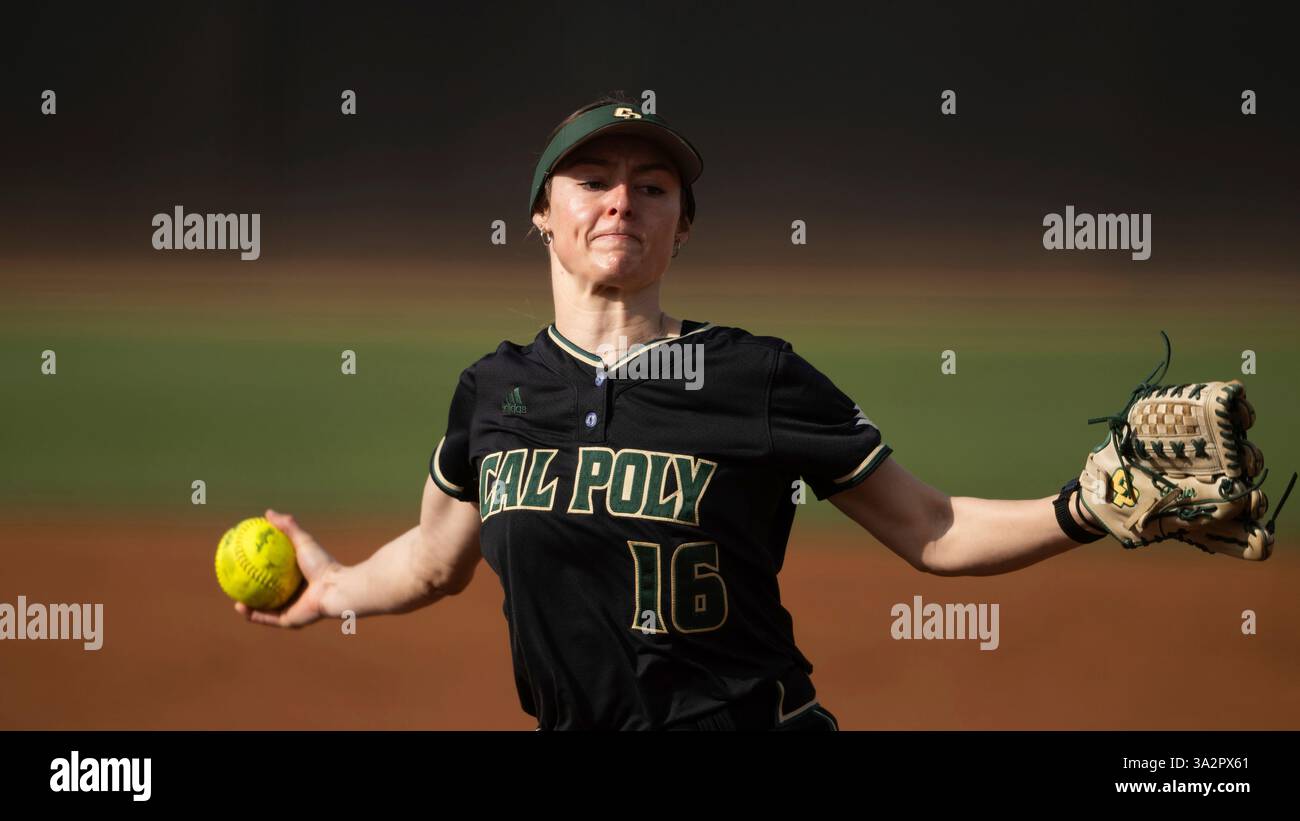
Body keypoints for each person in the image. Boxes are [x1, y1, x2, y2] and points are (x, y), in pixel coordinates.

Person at [234, 95, 1111, 730]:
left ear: (681, 226)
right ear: (542, 215)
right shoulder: (493, 390)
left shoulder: (753, 374)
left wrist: (1087, 506)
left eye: (653, 187)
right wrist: (334, 585)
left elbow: (934, 525)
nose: (622, 200)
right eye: (591, 179)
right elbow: (433, 560)